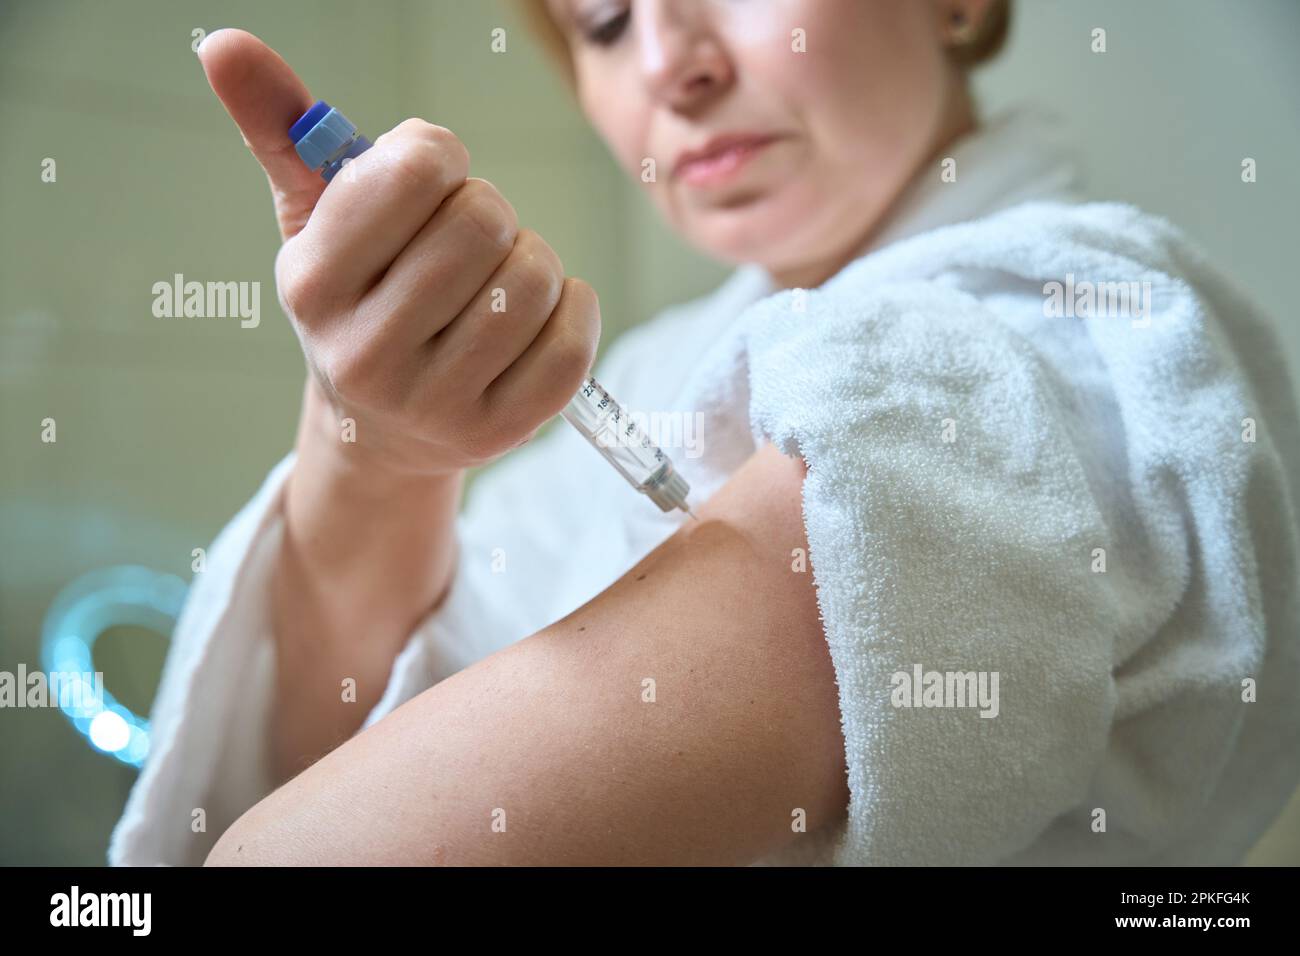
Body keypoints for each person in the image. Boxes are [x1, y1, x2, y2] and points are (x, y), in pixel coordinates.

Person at [110, 0, 1300, 866]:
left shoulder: (1067, 347)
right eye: (605, 20)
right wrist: (371, 449)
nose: (671, 61)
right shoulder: (649, 367)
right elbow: (292, 758)